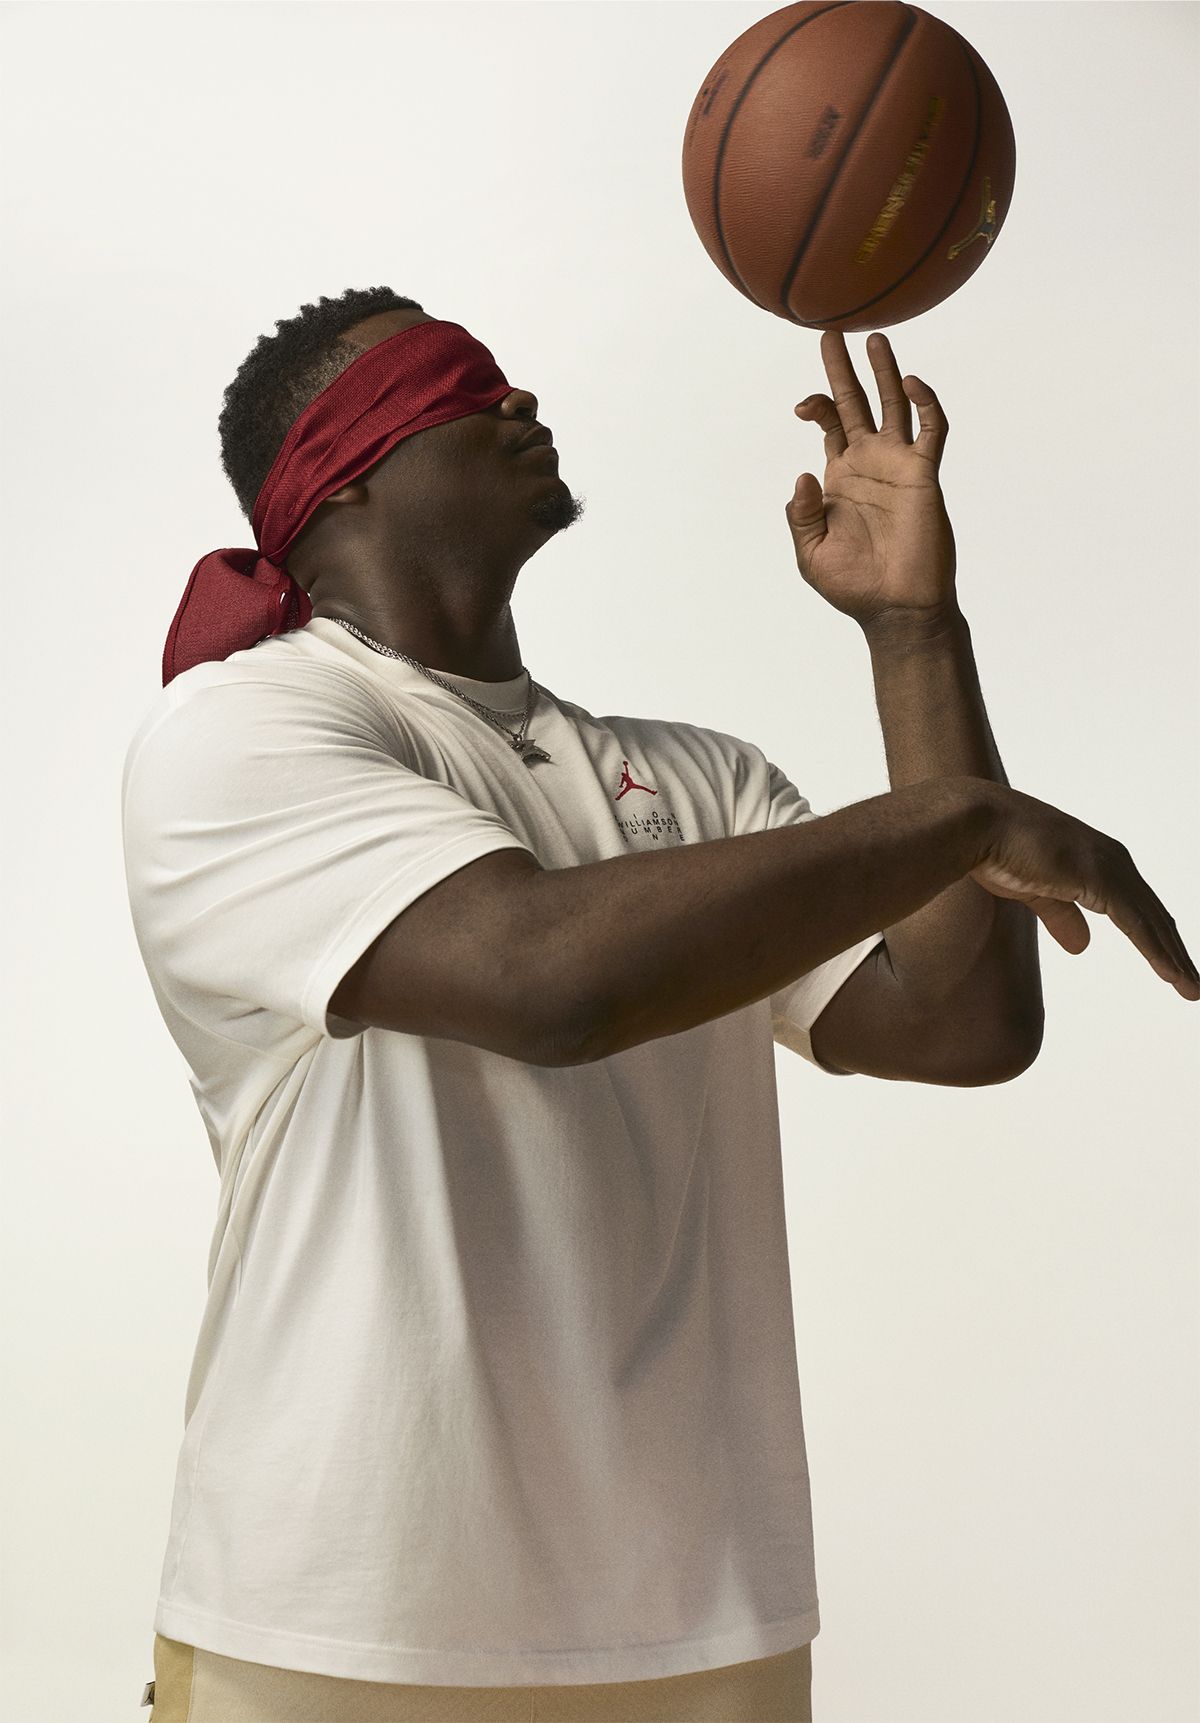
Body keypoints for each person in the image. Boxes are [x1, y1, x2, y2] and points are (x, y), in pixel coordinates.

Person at [123, 287, 1197, 1723]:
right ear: (347, 467)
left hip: (697, 1624)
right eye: (459, 387)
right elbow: (544, 977)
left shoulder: (694, 782)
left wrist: (913, 635)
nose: (516, 401)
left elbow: (959, 1024)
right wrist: (956, 822)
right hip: (343, 1619)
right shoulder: (243, 728)